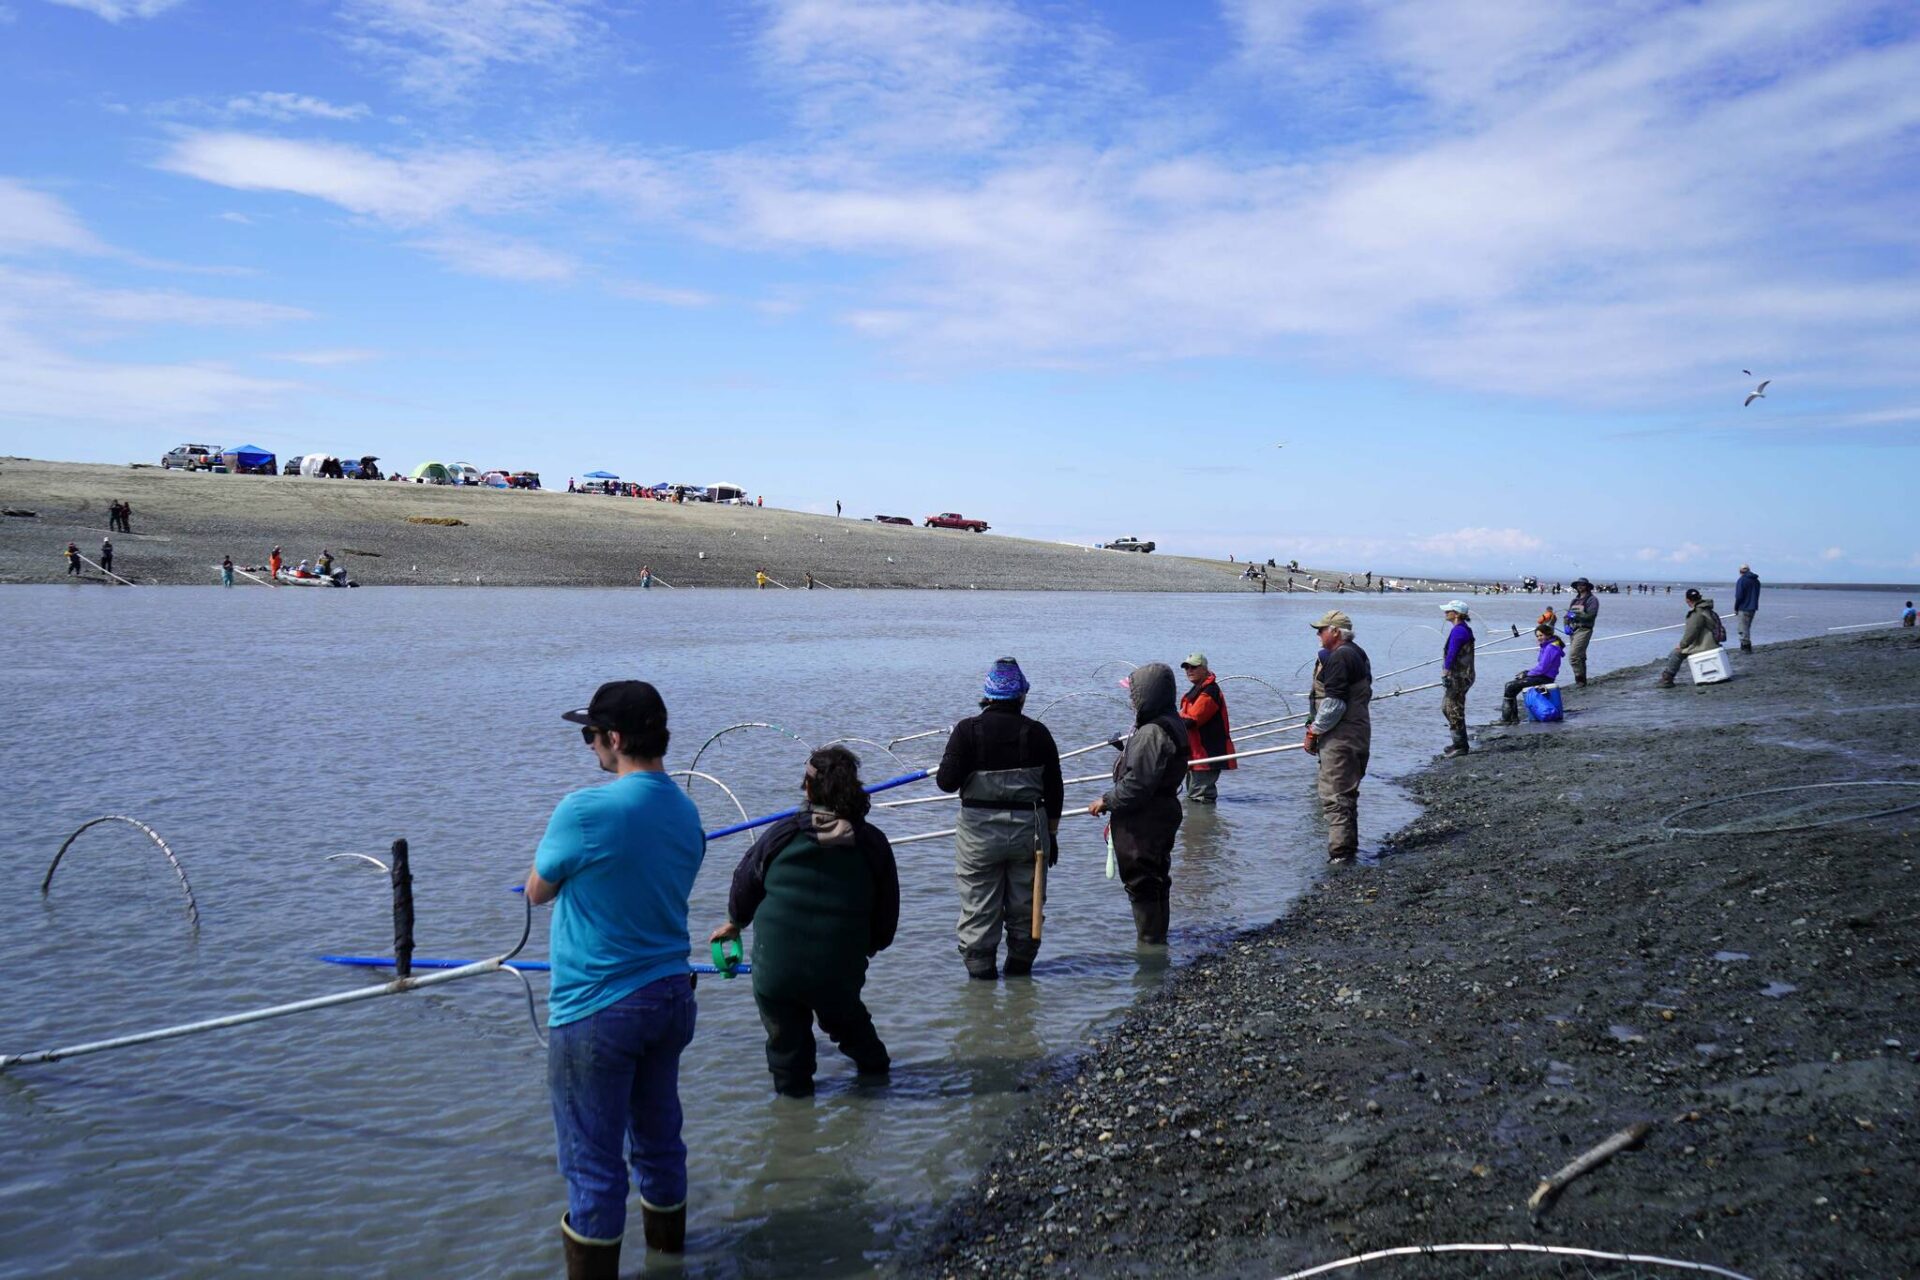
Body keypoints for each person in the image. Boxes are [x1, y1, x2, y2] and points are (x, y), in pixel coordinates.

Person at [525, 680, 706, 1273]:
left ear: (616, 739)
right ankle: (668, 1259)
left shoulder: (583, 809)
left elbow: (536, 890)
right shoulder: (686, 810)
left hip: (596, 1010)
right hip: (671, 997)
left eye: (590, 735)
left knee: (592, 1165)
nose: (589, 746)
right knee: (659, 1143)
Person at [711, 746, 898, 1097]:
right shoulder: (872, 843)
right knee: (853, 1029)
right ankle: (880, 1088)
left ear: (809, 790)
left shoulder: (780, 835)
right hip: (839, 970)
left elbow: (744, 882)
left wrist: (735, 923)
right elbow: (886, 919)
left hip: (776, 971)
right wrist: (867, 946)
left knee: (787, 1047)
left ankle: (794, 1117)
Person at [936, 658, 1064, 979]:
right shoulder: (1038, 733)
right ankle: (1020, 980)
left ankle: (981, 988)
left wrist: (957, 753)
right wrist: (1053, 834)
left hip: (979, 836)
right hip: (1030, 835)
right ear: (1021, 696)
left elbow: (946, 782)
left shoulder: (967, 731)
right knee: (1026, 909)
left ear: (987, 695)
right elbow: (1056, 790)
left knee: (978, 908)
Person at [1088, 663, 1189, 943]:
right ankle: (1157, 938)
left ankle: (1149, 944)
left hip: (1145, 818)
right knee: (1157, 876)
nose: (1131, 700)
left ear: (1150, 694)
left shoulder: (1152, 732)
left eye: (1134, 694)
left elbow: (1137, 785)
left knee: (1142, 880)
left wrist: (1106, 801)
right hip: (1162, 811)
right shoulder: (1170, 721)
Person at [1304, 611, 1373, 861]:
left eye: (1321, 629)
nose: (1318, 634)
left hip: (1341, 737)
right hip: (1358, 732)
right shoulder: (1357, 652)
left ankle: (1340, 855)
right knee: (1347, 793)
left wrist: (1313, 732)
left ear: (1335, 631)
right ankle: (1348, 849)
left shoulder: (1341, 656)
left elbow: (1335, 704)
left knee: (1335, 795)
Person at [1177, 653, 1235, 803]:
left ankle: (1205, 825)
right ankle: (1196, 825)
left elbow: (1192, 720)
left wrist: (1168, 722)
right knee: (1193, 795)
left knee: (1200, 798)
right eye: (1187, 668)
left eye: (1194, 667)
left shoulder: (1210, 691)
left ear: (1204, 669)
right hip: (1195, 753)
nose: (1189, 670)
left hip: (1207, 754)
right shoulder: (1197, 690)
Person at [1658, 589, 1723, 688]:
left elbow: (1691, 632)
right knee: (1677, 652)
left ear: (1687, 600)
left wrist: (1681, 645)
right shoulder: (1707, 609)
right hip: (1712, 642)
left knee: (1676, 653)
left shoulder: (1697, 613)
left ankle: (1667, 679)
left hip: (1706, 645)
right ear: (1700, 597)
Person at [1501, 623, 1565, 724]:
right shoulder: (1546, 646)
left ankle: (1506, 720)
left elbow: (1542, 668)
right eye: (1537, 636)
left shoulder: (1551, 648)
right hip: (1542, 675)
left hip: (1545, 678)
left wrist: (1527, 674)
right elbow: (1541, 667)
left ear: (1548, 635)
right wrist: (1527, 672)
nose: (1539, 638)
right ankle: (1513, 719)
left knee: (1510, 686)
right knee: (1512, 686)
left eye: (1541, 635)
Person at [1439, 600, 1475, 757]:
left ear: (1458, 614)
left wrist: (1445, 671)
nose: (1445, 613)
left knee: (1454, 708)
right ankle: (1458, 741)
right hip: (1459, 675)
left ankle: (1461, 746)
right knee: (1446, 707)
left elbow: (1452, 653)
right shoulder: (1460, 629)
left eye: (1449, 611)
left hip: (1461, 676)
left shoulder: (1459, 631)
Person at [1564, 578, 1600, 686]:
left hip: (1584, 630)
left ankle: (1579, 681)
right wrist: (1566, 625)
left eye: (1583, 584)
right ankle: (1583, 681)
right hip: (1573, 630)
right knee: (1580, 657)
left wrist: (1577, 615)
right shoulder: (1574, 600)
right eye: (1578, 585)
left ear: (1587, 586)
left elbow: (1591, 616)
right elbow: (1567, 616)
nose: (1580, 586)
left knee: (1573, 656)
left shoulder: (1592, 600)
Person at [1733, 564, 1761, 653]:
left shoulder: (1741, 580)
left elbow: (1739, 596)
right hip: (1753, 608)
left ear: (1740, 571)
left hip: (1743, 608)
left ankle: (1746, 648)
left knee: (1743, 629)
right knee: (1747, 628)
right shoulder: (1756, 581)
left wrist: (1736, 607)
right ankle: (1745, 647)